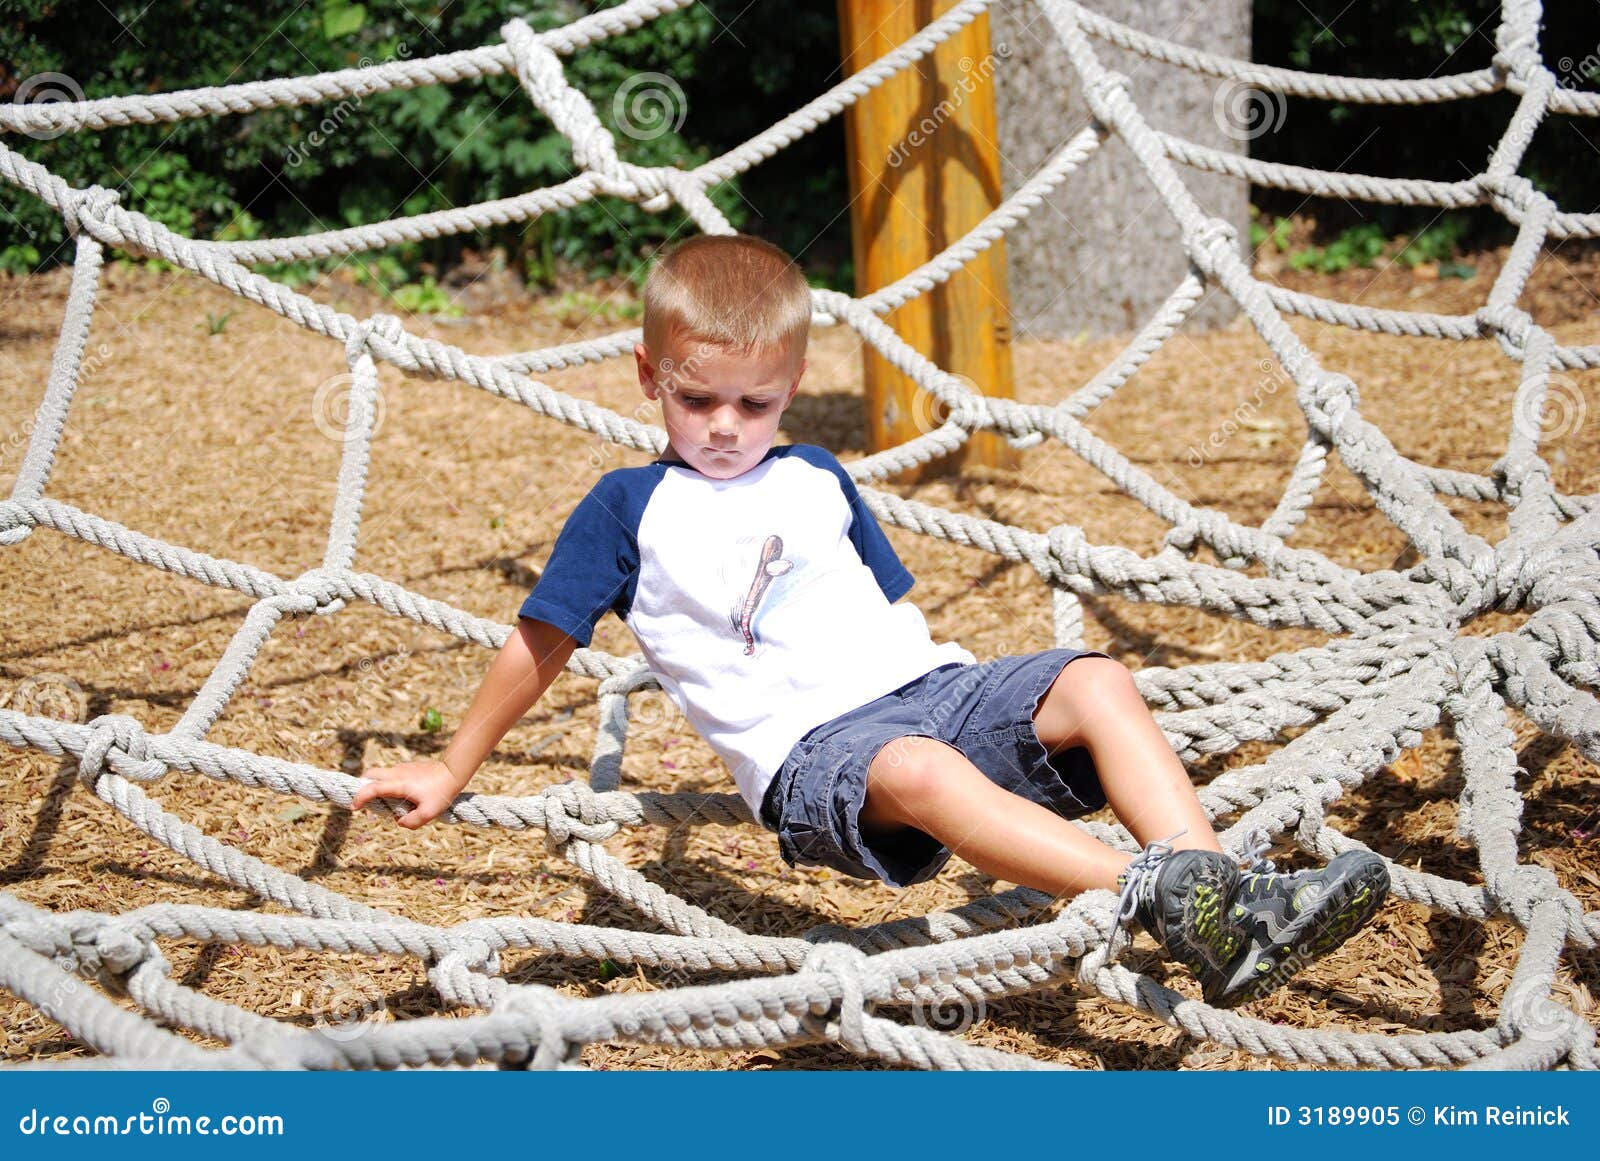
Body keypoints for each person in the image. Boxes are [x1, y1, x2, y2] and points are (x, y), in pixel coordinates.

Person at [354, 233, 1389, 1007]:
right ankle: (1168, 896)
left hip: (927, 688)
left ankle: (1230, 906)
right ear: (647, 379)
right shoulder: (629, 507)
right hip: (817, 754)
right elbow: (539, 641)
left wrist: (981, 703)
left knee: (1097, 681)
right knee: (921, 771)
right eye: (696, 399)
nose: (724, 427)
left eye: (753, 405)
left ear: (793, 387)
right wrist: (451, 769)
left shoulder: (815, 475)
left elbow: (893, 606)